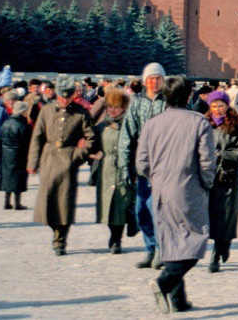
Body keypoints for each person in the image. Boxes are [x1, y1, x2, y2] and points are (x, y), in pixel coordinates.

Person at [138, 76, 216, 314]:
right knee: (195, 240)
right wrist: (207, 182)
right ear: (189, 95)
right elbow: (207, 161)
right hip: (189, 188)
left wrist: (156, 178)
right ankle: (164, 282)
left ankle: (178, 300)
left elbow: (141, 163)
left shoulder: (153, 123)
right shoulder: (199, 122)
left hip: (160, 190)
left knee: (172, 243)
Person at [28, 77, 95, 255]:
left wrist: (77, 155)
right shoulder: (47, 111)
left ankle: (60, 239)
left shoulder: (81, 113)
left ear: (73, 95)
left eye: (68, 97)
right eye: (61, 97)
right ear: (56, 95)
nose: (64, 100)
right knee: (47, 202)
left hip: (68, 162)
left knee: (64, 202)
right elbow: (37, 137)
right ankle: (54, 229)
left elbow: (92, 139)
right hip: (49, 159)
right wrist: (32, 162)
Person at [117, 62, 168, 269]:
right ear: (144, 81)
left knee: (159, 210)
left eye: (157, 78)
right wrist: (124, 165)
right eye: (150, 79)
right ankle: (150, 247)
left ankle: (161, 250)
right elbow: (126, 135)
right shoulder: (137, 104)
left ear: (163, 81)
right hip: (143, 165)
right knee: (141, 210)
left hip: (165, 164)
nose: (154, 82)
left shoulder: (170, 102)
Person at [205, 90, 238, 272]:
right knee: (210, 216)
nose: (217, 110)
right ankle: (219, 245)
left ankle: (219, 250)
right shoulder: (204, 125)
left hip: (227, 177)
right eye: (214, 106)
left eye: (220, 105)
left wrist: (223, 154)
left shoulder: (237, 127)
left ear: (227, 106)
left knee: (225, 215)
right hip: (207, 177)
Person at [91, 88, 135, 253]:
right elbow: (93, 144)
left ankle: (117, 239)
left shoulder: (130, 125)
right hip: (107, 168)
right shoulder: (102, 126)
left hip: (125, 168)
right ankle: (113, 233)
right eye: (110, 107)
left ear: (124, 107)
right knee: (107, 205)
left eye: (116, 107)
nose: (112, 110)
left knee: (122, 204)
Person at [0, 100, 32, 211]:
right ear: (22, 112)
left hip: (6, 152)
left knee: (7, 176)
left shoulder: (6, 123)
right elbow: (28, 141)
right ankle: (17, 203)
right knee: (19, 177)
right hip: (20, 153)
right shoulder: (23, 126)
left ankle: (6, 201)